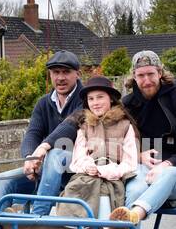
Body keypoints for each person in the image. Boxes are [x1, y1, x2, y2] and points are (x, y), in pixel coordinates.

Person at [41, 50, 176, 229]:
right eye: (141, 75)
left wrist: (167, 164)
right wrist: (138, 155)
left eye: (151, 74)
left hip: (175, 171)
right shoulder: (128, 104)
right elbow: (82, 121)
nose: (146, 80)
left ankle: (135, 215)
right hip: (140, 168)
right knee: (134, 189)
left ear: (160, 72)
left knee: (170, 175)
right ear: (134, 76)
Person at [0, 51, 84, 214]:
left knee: (55, 154)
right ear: (50, 74)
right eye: (56, 72)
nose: (60, 78)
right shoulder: (43, 103)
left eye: (66, 72)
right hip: (47, 173)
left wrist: (43, 147)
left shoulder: (87, 99)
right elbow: (32, 133)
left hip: (76, 169)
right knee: (4, 179)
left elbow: (70, 125)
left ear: (78, 74)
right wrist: (30, 158)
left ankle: (37, 217)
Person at [51, 76, 139, 219]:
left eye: (100, 97)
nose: (95, 103)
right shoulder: (84, 127)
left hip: (112, 180)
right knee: (71, 196)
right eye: (91, 99)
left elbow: (130, 163)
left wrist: (105, 170)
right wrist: (87, 166)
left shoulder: (125, 126)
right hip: (85, 178)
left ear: (110, 98)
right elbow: (77, 160)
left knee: (103, 198)